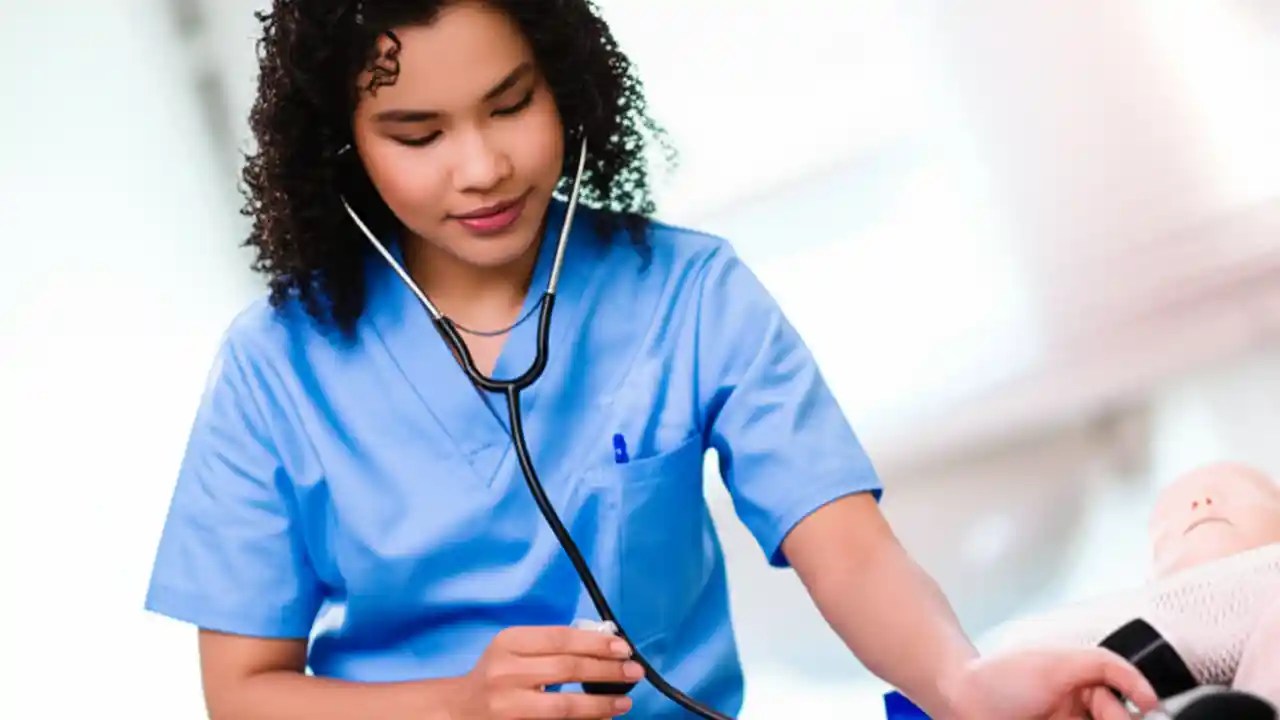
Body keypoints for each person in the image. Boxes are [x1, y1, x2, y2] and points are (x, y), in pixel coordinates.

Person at [144, 1, 1159, 718]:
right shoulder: (273, 370)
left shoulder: (691, 295)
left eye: (509, 104)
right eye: (417, 132)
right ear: (343, 150)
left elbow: (844, 548)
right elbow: (244, 693)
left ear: (565, 84)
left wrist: (962, 684)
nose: (482, 166)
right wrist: (459, 705)